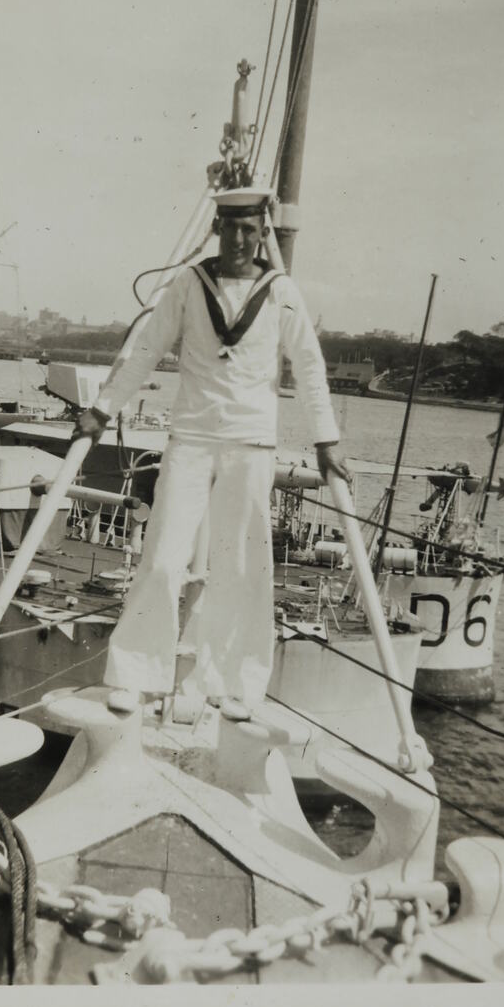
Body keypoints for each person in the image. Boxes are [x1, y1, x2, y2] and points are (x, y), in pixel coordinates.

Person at [75, 189, 349, 718]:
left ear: (262, 231)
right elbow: (146, 350)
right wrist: (103, 410)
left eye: (250, 230)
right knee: (161, 558)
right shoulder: (188, 284)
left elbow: (309, 367)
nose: (240, 240)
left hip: (251, 444)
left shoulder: (281, 290)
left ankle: (228, 683)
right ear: (218, 229)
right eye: (231, 229)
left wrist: (326, 439)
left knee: (241, 567)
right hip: (192, 441)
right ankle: (135, 675)